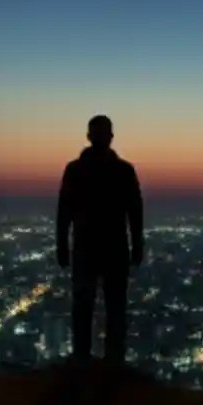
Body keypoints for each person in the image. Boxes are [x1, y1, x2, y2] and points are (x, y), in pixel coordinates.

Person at [56, 115, 143, 364]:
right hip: (109, 247)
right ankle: (110, 359)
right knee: (110, 306)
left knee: (89, 304)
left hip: (91, 247)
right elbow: (134, 210)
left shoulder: (77, 170)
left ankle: (85, 356)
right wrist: (137, 244)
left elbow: (65, 210)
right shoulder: (122, 170)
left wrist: (62, 244)